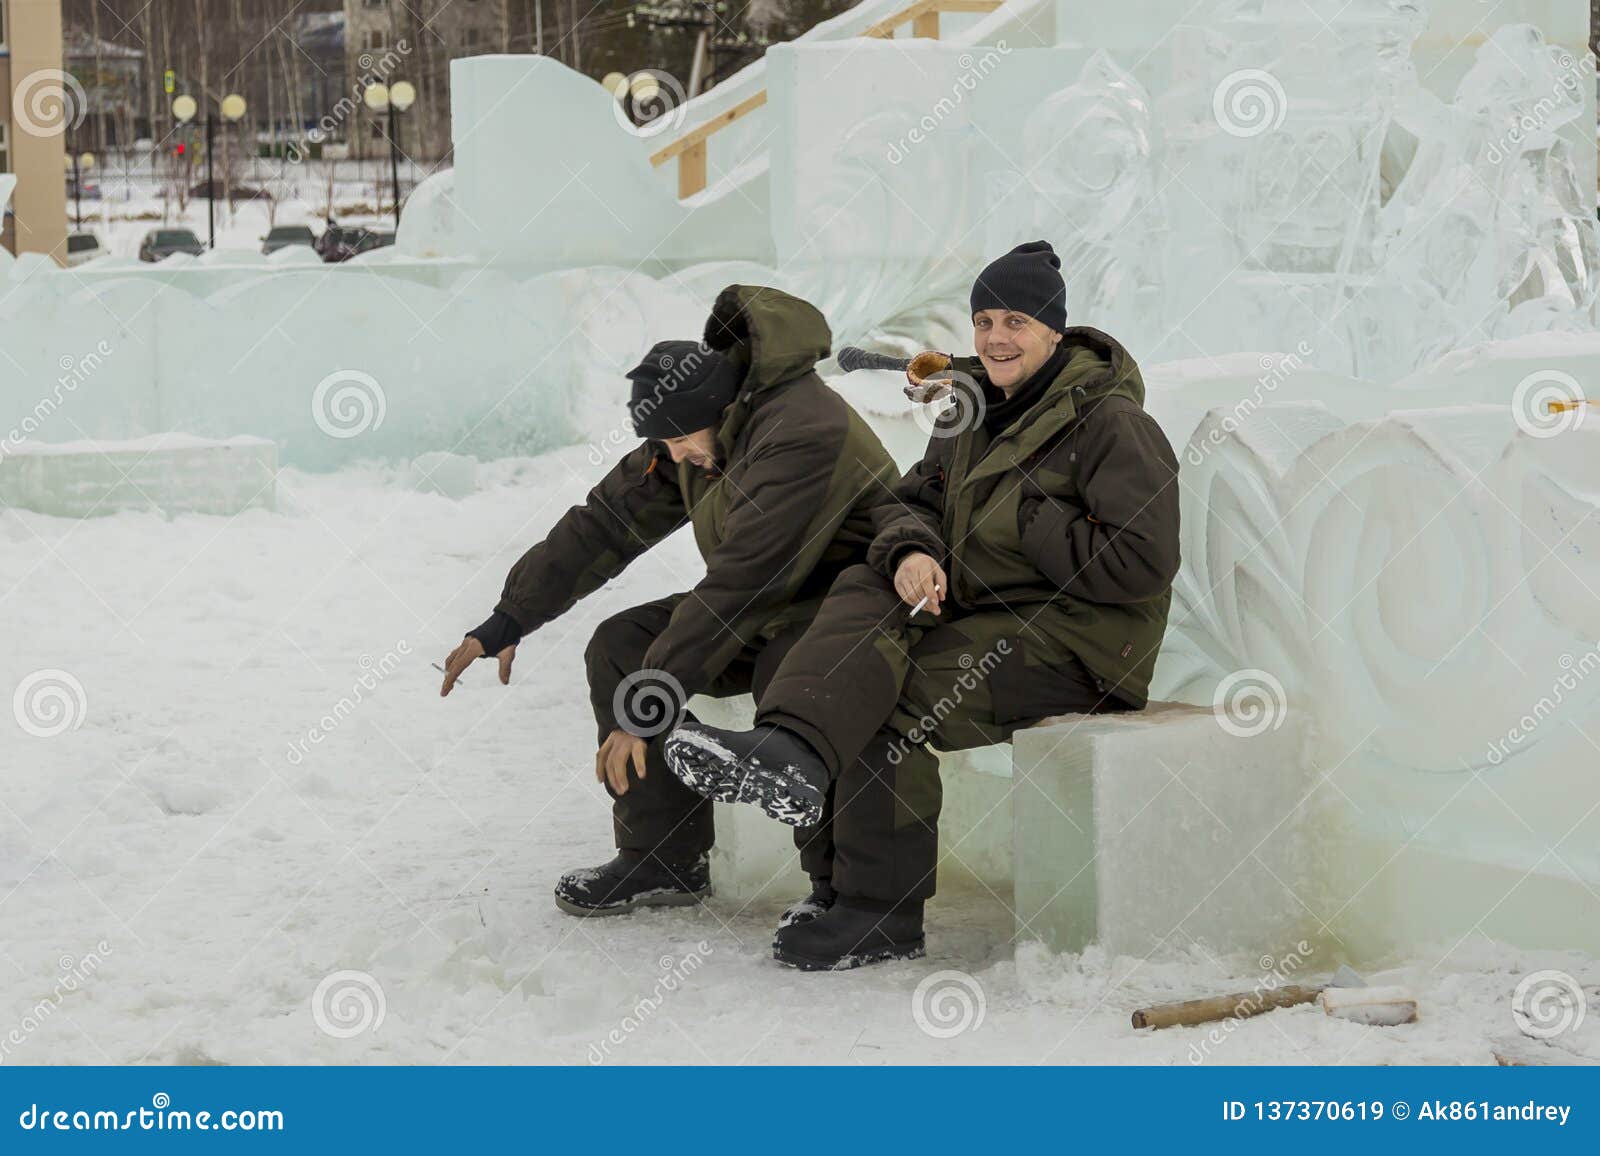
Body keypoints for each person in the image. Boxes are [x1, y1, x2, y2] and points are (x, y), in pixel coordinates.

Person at [663, 241, 1182, 969]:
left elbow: (1139, 565)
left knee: (885, 694)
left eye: (1017, 321)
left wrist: (1027, 513)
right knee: (840, 614)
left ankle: (879, 911)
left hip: (1079, 645)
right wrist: (912, 550)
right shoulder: (969, 412)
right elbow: (909, 502)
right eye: (984, 319)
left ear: (1054, 331)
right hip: (980, 616)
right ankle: (816, 835)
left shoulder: (1111, 425)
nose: (996, 337)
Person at [439, 285, 899, 918]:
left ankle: (836, 894)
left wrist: (649, 700)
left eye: (680, 442)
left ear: (720, 406)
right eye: (665, 445)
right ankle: (663, 861)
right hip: (772, 605)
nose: (675, 457)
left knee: (784, 671)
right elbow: (603, 524)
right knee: (620, 646)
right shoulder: (692, 434)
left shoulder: (802, 429)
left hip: (852, 614)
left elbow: (743, 582)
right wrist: (510, 617)